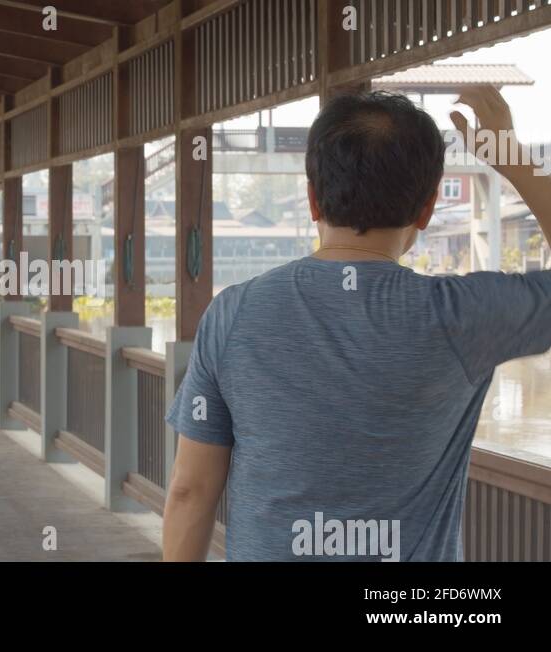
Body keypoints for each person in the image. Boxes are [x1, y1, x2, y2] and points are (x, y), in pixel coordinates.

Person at [162, 87, 551, 561]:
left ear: (313, 200)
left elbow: (189, 491)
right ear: (428, 208)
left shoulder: (234, 314)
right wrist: (513, 159)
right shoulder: (463, 317)